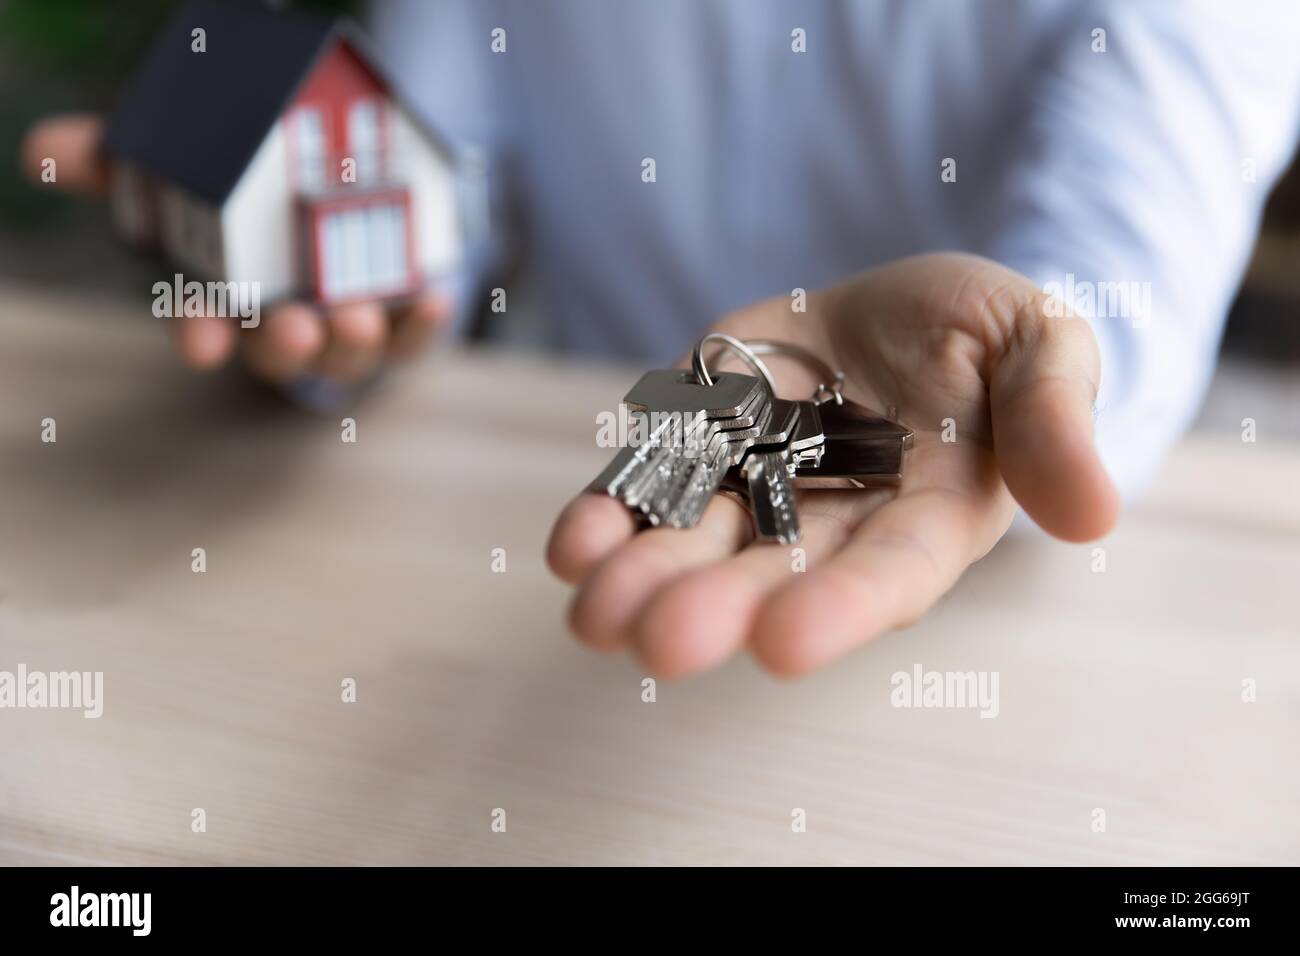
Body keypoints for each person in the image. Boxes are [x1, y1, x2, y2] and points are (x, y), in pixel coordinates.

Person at [22, 0, 1300, 679]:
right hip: (526, 488)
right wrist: (352, 313)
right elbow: (436, 174)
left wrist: (1034, 355)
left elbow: (1115, 285)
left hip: (972, 582)